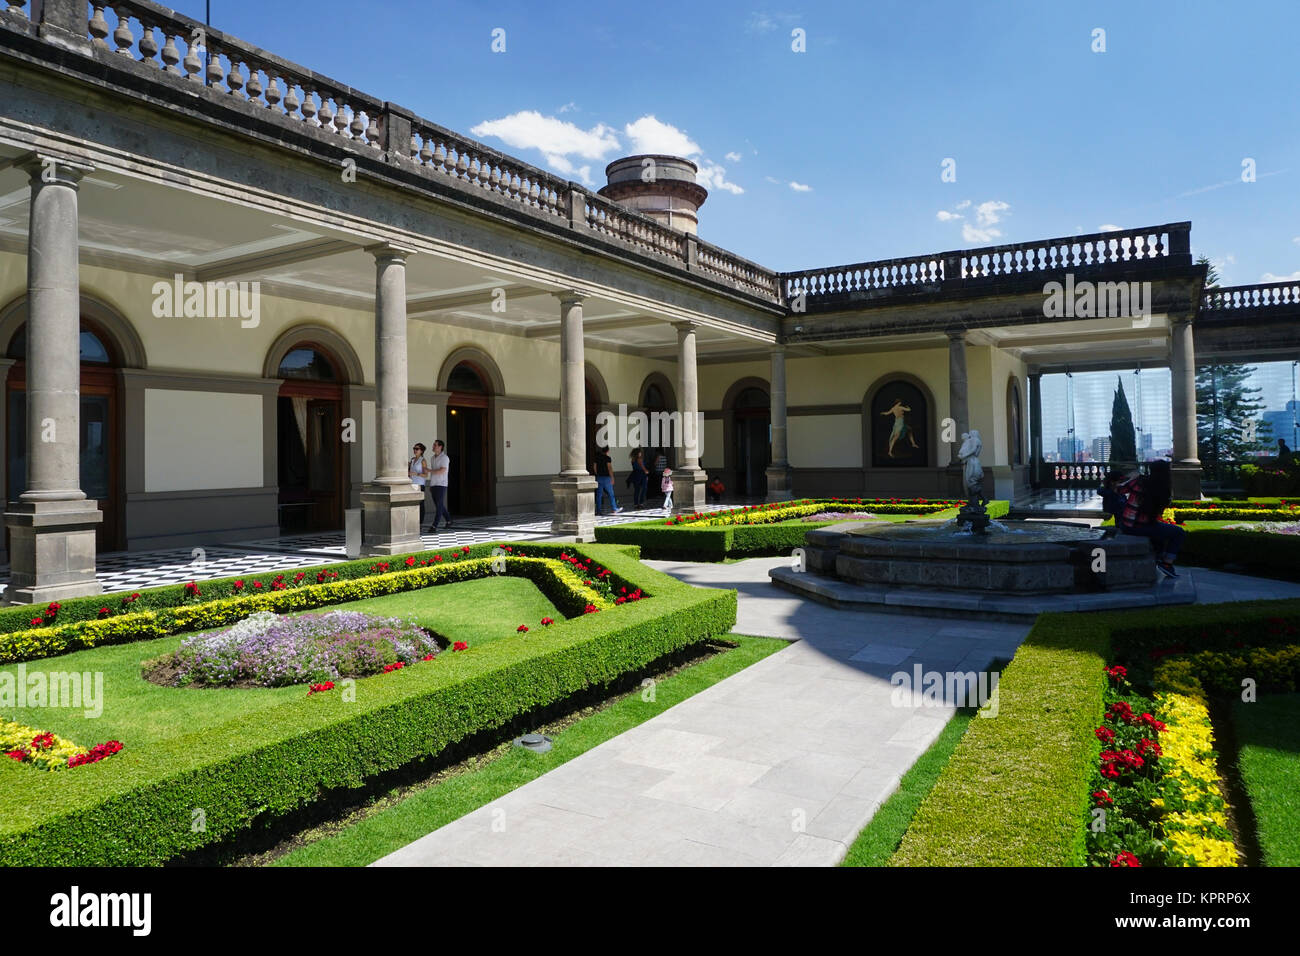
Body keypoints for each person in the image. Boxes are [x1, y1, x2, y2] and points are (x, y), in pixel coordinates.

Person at [1101, 460, 1184, 579]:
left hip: (1127, 525)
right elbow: (1158, 512)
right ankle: (1166, 563)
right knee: (1178, 533)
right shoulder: (1164, 489)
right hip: (1143, 526)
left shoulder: (1139, 482)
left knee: (1160, 532)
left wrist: (1130, 478)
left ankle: (1161, 560)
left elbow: (1119, 490)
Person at [426, 439, 452, 532]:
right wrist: (431, 485)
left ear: (440, 447)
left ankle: (434, 526)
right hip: (434, 484)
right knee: (439, 505)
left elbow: (442, 471)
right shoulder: (432, 458)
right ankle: (449, 520)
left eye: (435, 445)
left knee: (439, 506)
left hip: (441, 485)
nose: (433, 446)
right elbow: (435, 472)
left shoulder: (445, 458)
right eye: (433, 445)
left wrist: (429, 470)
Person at [593, 445, 623, 516]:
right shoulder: (607, 458)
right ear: (607, 451)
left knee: (599, 495)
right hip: (606, 478)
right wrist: (612, 477)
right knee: (611, 494)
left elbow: (594, 467)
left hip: (599, 478)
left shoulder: (597, 458)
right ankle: (614, 509)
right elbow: (609, 468)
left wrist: (598, 474)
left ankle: (598, 511)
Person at [409, 443, 429, 527]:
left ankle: (420, 523)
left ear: (421, 451)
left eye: (417, 449)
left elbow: (426, 474)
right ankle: (413, 522)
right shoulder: (412, 460)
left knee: (420, 504)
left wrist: (416, 474)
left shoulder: (423, 461)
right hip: (412, 485)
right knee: (412, 504)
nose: (415, 450)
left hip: (420, 485)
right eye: (414, 448)